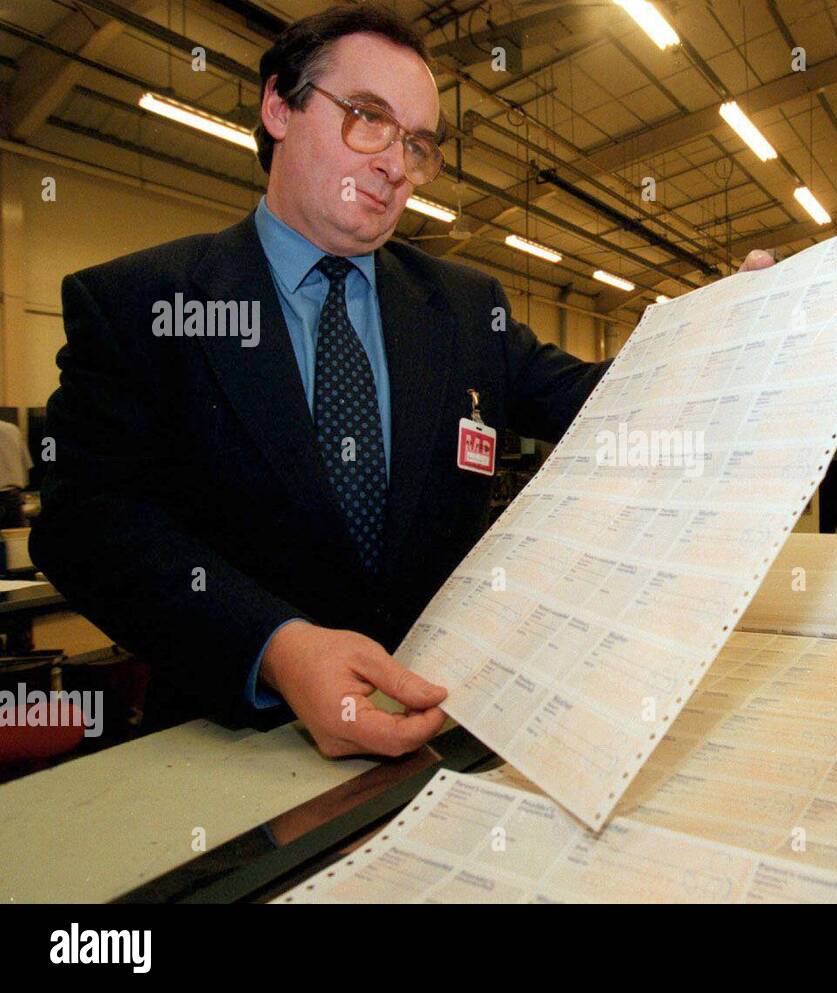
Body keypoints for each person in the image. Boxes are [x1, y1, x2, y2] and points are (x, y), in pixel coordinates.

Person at [31, 5, 774, 759]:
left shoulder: (460, 308)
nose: (394, 163)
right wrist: (278, 650)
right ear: (278, 107)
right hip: (231, 747)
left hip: (442, 733)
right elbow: (84, 523)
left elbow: (598, 400)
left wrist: (718, 337)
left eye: (418, 144)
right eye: (367, 118)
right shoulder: (146, 304)